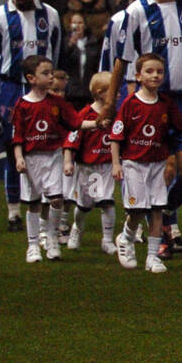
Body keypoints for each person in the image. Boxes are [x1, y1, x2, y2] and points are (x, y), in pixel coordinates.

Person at [105, 0, 182, 256]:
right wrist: (112, 101)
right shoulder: (137, 11)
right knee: (161, 168)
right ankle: (160, 234)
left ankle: (163, 214)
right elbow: (121, 60)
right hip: (152, 102)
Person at [0, 0, 62, 230]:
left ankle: (45, 209)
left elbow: (55, 52)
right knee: (13, 148)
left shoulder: (50, 15)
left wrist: (52, 83)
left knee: (45, 148)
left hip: (42, 91)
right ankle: (14, 212)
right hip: (11, 88)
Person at [110, 53, 182, 273]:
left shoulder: (165, 103)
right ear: (138, 76)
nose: (155, 76)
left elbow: (181, 123)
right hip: (134, 164)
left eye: (159, 71)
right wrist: (116, 163)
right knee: (137, 210)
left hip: (157, 164)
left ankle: (152, 257)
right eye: (149, 71)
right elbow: (116, 135)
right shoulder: (130, 103)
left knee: (158, 209)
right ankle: (126, 238)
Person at [11, 55, 89, 263]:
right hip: (31, 158)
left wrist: (97, 123)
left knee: (56, 199)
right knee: (34, 203)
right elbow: (17, 135)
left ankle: (52, 237)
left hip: (53, 156)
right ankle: (33, 244)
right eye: (45, 73)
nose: (51, 77)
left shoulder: (57, 102)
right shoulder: (22, 105)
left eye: (51, 72)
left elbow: (75, 123)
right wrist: (19, 157)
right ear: (31, 78)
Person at [62, 71, 118, 255]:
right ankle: (76, 229)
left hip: (107, 165)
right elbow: (72, 138)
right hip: (87, 167)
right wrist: (68, 161)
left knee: (107, 202)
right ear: (101, 92)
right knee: (84, 205)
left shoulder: (117, 114)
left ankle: (107, 240)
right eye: (114, 90)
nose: (118, 94)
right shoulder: (85, 114)